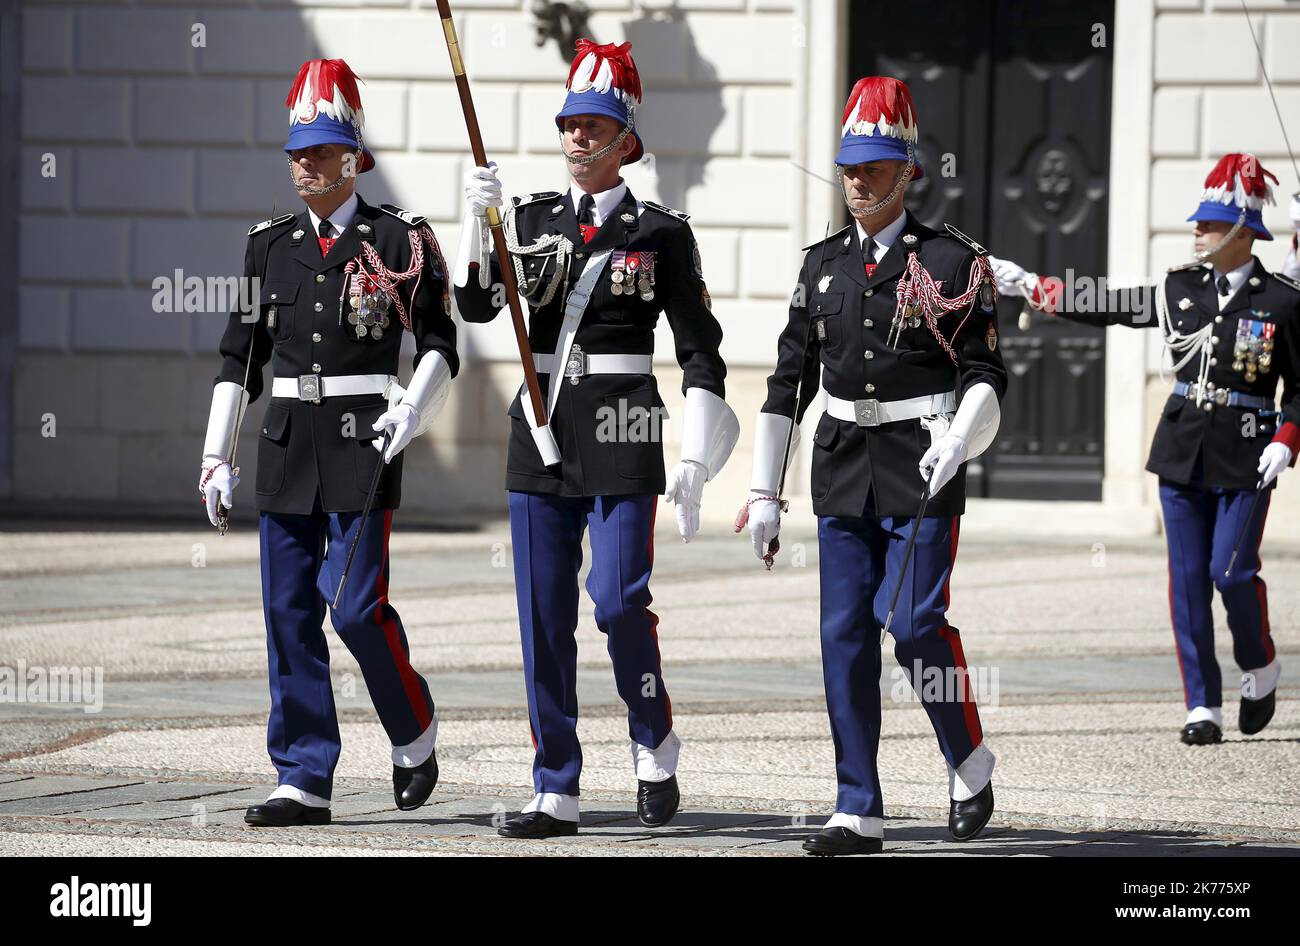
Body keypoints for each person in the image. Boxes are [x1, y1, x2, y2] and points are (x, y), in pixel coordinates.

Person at [452, 40, 738, 839]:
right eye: (570, 125)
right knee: (543, 617)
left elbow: (701, 350)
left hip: (624, 427)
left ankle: (654, 739)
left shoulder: (661, 233)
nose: (577, 138)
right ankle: (557, 787)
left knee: (616, 602)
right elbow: (477, 308)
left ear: (625, 141)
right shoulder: (533, 218)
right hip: (540, 424)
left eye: (594, 126)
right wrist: (476, 224)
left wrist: (695, 455)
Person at [744, 77, 1006, 856]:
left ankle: (967, 755)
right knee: (844, 634)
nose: (858, 181)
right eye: (850, 167)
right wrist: (764, 489)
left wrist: (959, 439)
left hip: (924, 461)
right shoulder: (821, 266)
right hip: (842, 463)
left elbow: (986, 374)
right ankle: (857, 805)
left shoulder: (954, 263)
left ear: (907, 171)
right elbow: (787, 380)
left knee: (915, 624)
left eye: (874, 167)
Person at [199, 59, 458, 826]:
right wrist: (217, 452)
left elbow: (443, 342)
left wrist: (413, 409)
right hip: (285, 446)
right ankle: (304, 774)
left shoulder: (398, 240)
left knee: (351, 610)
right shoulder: (268, 247)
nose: (303, 162)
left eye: (319, 149)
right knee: (287, 613)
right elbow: (237, 356)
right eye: (296, 150)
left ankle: (412, 728)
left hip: (362, 444)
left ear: (354, 158)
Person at [992, 153, 1298, 747]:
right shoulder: (1182, 288)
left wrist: (1287, 441)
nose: (1197, 230)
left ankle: (1260, 665)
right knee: (1187, 582)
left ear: (1241, 231)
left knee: (1230, 573)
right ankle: (1202, 702)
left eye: (1209, 223)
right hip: (1183, 449)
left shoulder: (1282, 300)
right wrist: (1037, 286)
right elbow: (1112, 303)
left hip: (1247, 455)